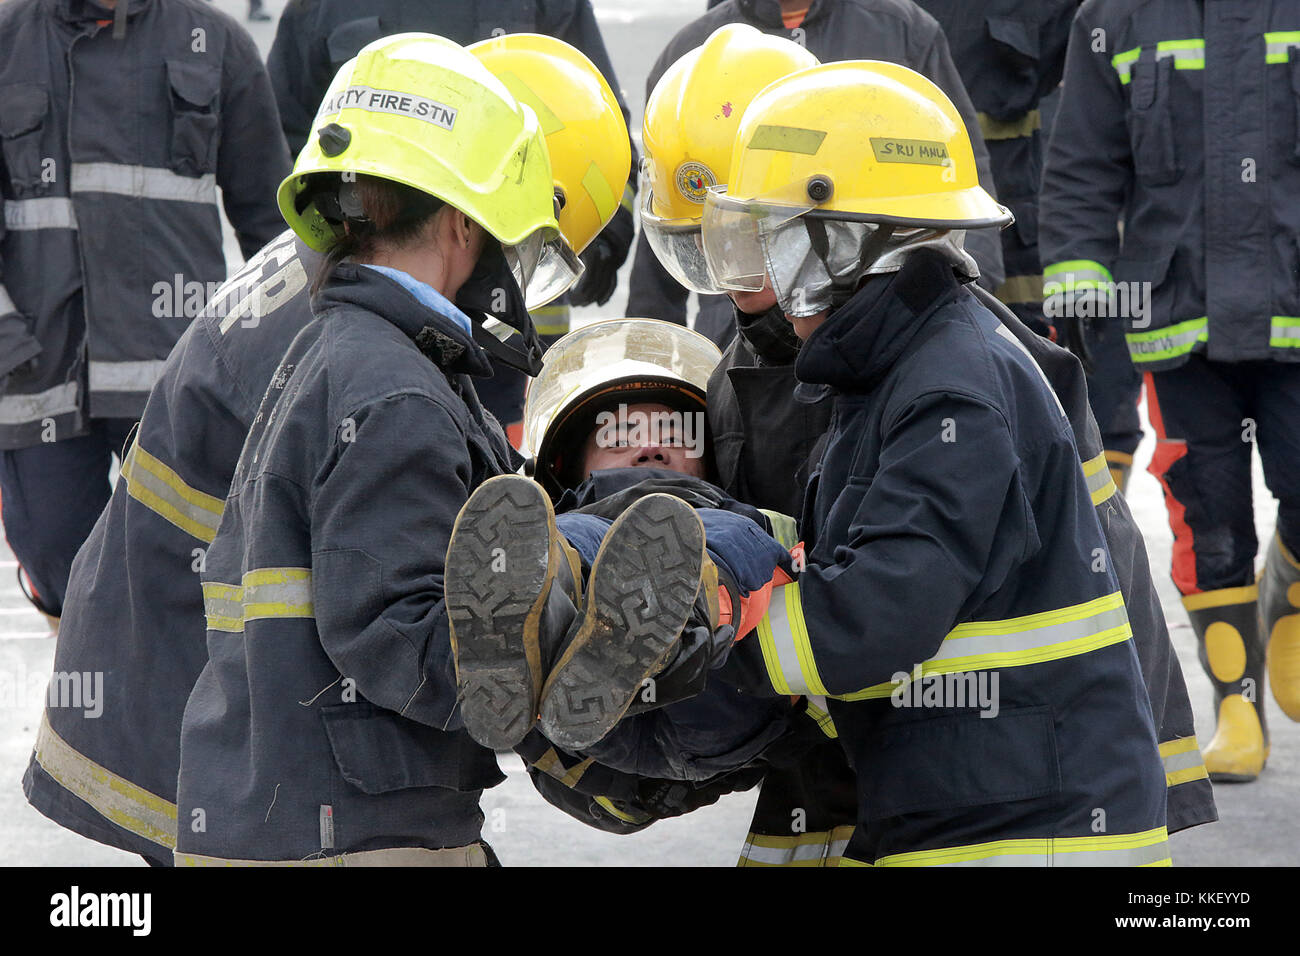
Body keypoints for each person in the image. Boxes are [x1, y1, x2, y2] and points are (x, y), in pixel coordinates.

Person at [25, 32, 621, 866]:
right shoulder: (388, 378)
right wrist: (565, 706)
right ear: (464, 219)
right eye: (513, 243)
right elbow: (403, 618)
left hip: (228, 729)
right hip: (243, 734)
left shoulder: (330, 308)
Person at [639, 26, 1213, 864]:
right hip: (971, 792)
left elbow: (875, 612)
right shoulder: (900, 361)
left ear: (847, 243)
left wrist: (707, 635)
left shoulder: (950, 385)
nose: (745, 279)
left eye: (775, 243)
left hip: (1019, 824)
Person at [1038, 0, 1300, 783]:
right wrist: (1079, 281)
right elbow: (1083, 162)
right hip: (1179, 319)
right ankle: (1236, 705)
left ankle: (1286, 590)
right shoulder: (1114, 18)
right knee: (1207, 513)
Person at [0, 0, 290, 629]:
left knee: (180, 568)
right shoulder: (9, 41)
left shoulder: (216, 45)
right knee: (56, 555)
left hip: (175, 375)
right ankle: (86, 700)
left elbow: (272, 229)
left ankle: (151, 718)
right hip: (36, 369)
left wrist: (280, 354)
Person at [445, 319, 796, 774]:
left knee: (725, 536)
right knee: (574, 540)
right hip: (584, 724)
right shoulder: (575, 519)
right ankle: (537, 625)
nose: (650, 447)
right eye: (621, 435)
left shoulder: (732, 516)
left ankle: (685, 607)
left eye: (675, 434)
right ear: (570, 464)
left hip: (717, 701)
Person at [267, 1, 637, 360]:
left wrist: (606, 234)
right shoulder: (319, 7)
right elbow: (286, 135)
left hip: (512, 309)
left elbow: (594, 113)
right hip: (378, 300)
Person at [625, 0, 1005, 346]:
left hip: (849, 316)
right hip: (738, 333)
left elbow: (956, 181)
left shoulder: (899, 29)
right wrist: (647, 361)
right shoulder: (690, 54)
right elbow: (672, 209)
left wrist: (957, 309)